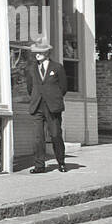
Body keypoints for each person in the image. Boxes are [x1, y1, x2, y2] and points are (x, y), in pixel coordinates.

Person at [25, 39, 68, 173]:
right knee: (38, 137)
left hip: (52, 106)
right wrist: (37, 97)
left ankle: (61, 162)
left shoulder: (57, 67)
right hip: (37, 106)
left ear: (47, 52)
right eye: (35, 52)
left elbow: (63, 87)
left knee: (55, 135)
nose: (36, 55)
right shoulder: (31, 69)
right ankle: (39, 166)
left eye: (40, 52)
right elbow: (29, 87)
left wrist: (53, 97)